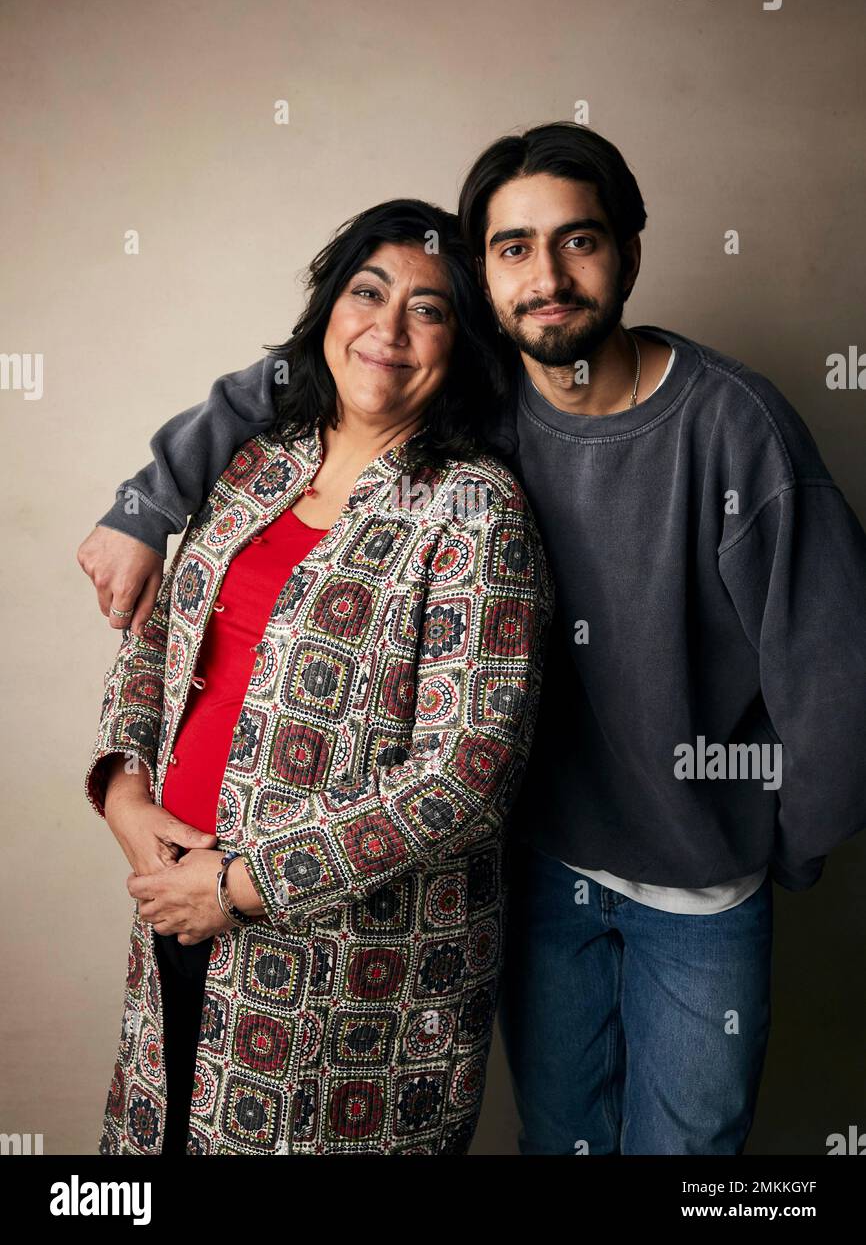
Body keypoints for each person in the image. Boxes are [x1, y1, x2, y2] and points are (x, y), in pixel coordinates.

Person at [79, 124, 866, 1155]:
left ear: (626, 247)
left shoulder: (701, 435)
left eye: (577, 241)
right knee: (561, 1140)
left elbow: (834, 668)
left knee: (686, 1154)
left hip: (685, 891)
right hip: (540, 867)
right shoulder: (446, 414)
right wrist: (145, 509)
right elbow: (279, 387)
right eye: (510, 248)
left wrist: (773, 850)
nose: (545, 276)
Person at [82, 198, 554, 1156]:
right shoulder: (258, 463)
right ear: (326, 310)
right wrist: (126, 795)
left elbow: (463, 781)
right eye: (366, 292)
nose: (386, 328)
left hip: (345, 970)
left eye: (428, 309)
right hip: (170, 899)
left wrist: (242, 885)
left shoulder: (475, 510)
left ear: (460, 344)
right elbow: (157, 646)